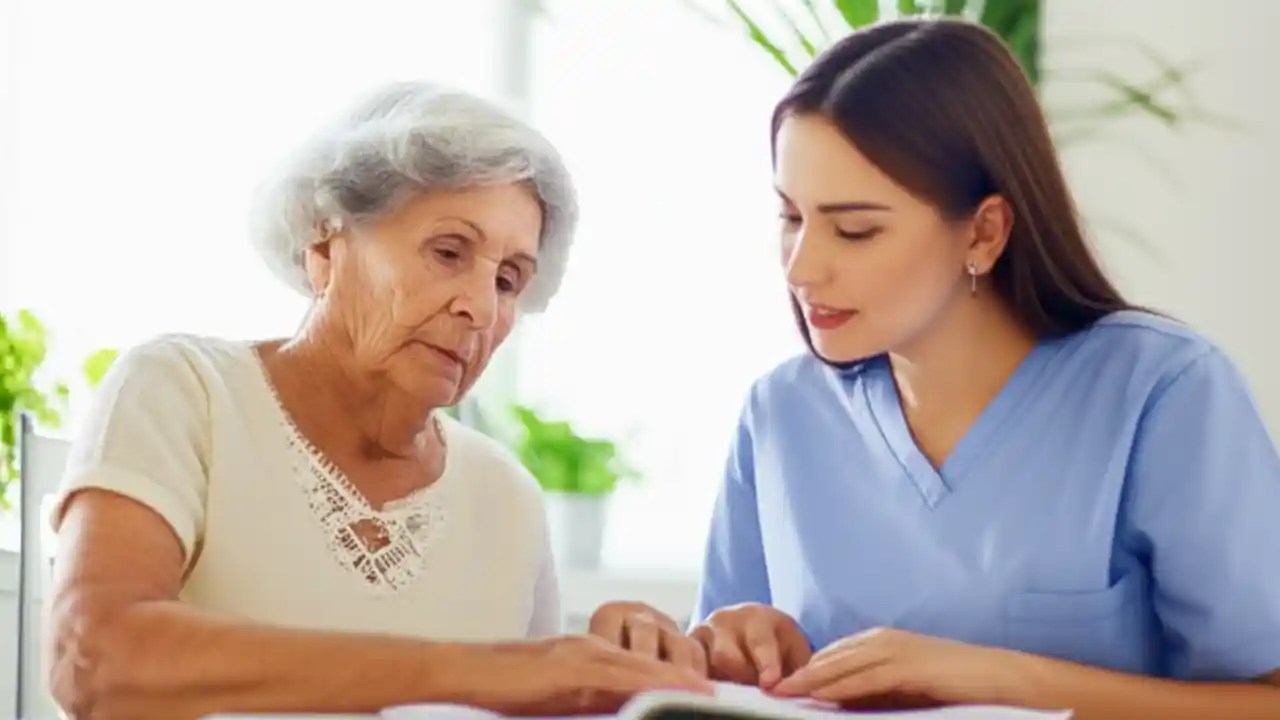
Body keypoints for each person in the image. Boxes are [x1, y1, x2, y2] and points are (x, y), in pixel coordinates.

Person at [590, 19, 1280, 719]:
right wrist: (731, 651)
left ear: (983, 231)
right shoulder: (783, 413)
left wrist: (992, 678)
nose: (802, 267)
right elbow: (737, 695)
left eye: (855, 229)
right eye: (791, 217)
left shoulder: (1161, 393)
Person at [47, 82, 708, 720]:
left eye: (509, 281)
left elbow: (534, 701)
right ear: (324, 240)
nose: (480, 307)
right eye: (449, 251)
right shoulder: (185, 390)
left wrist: (625, 675)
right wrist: (480, 673)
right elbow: (94, 663)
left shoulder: (506, 498)